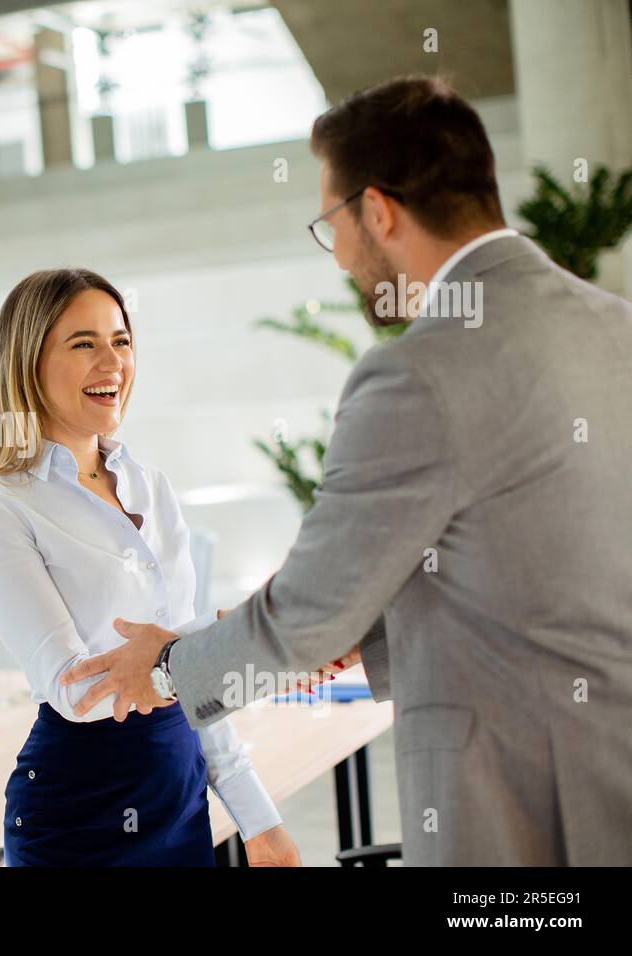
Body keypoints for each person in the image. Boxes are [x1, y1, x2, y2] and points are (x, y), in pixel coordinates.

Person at [63, 75, 632, 866]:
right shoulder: (616, 325)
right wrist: (369, 628)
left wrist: (165, 666)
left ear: (379, 210)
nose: (341, 261)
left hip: (528, 814)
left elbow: (306, 619)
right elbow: (538, 565)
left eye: (332, 224)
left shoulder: (420, 372)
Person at [0, 268, 302, 867]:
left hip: (178, 792)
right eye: (84, 343)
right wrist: (237, 630)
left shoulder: (150, 486)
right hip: (78, 809)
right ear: (29, 362)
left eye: (121, 340)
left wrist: (259, 819)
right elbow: (78, 689)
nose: (111, 361)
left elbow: (195, 683)